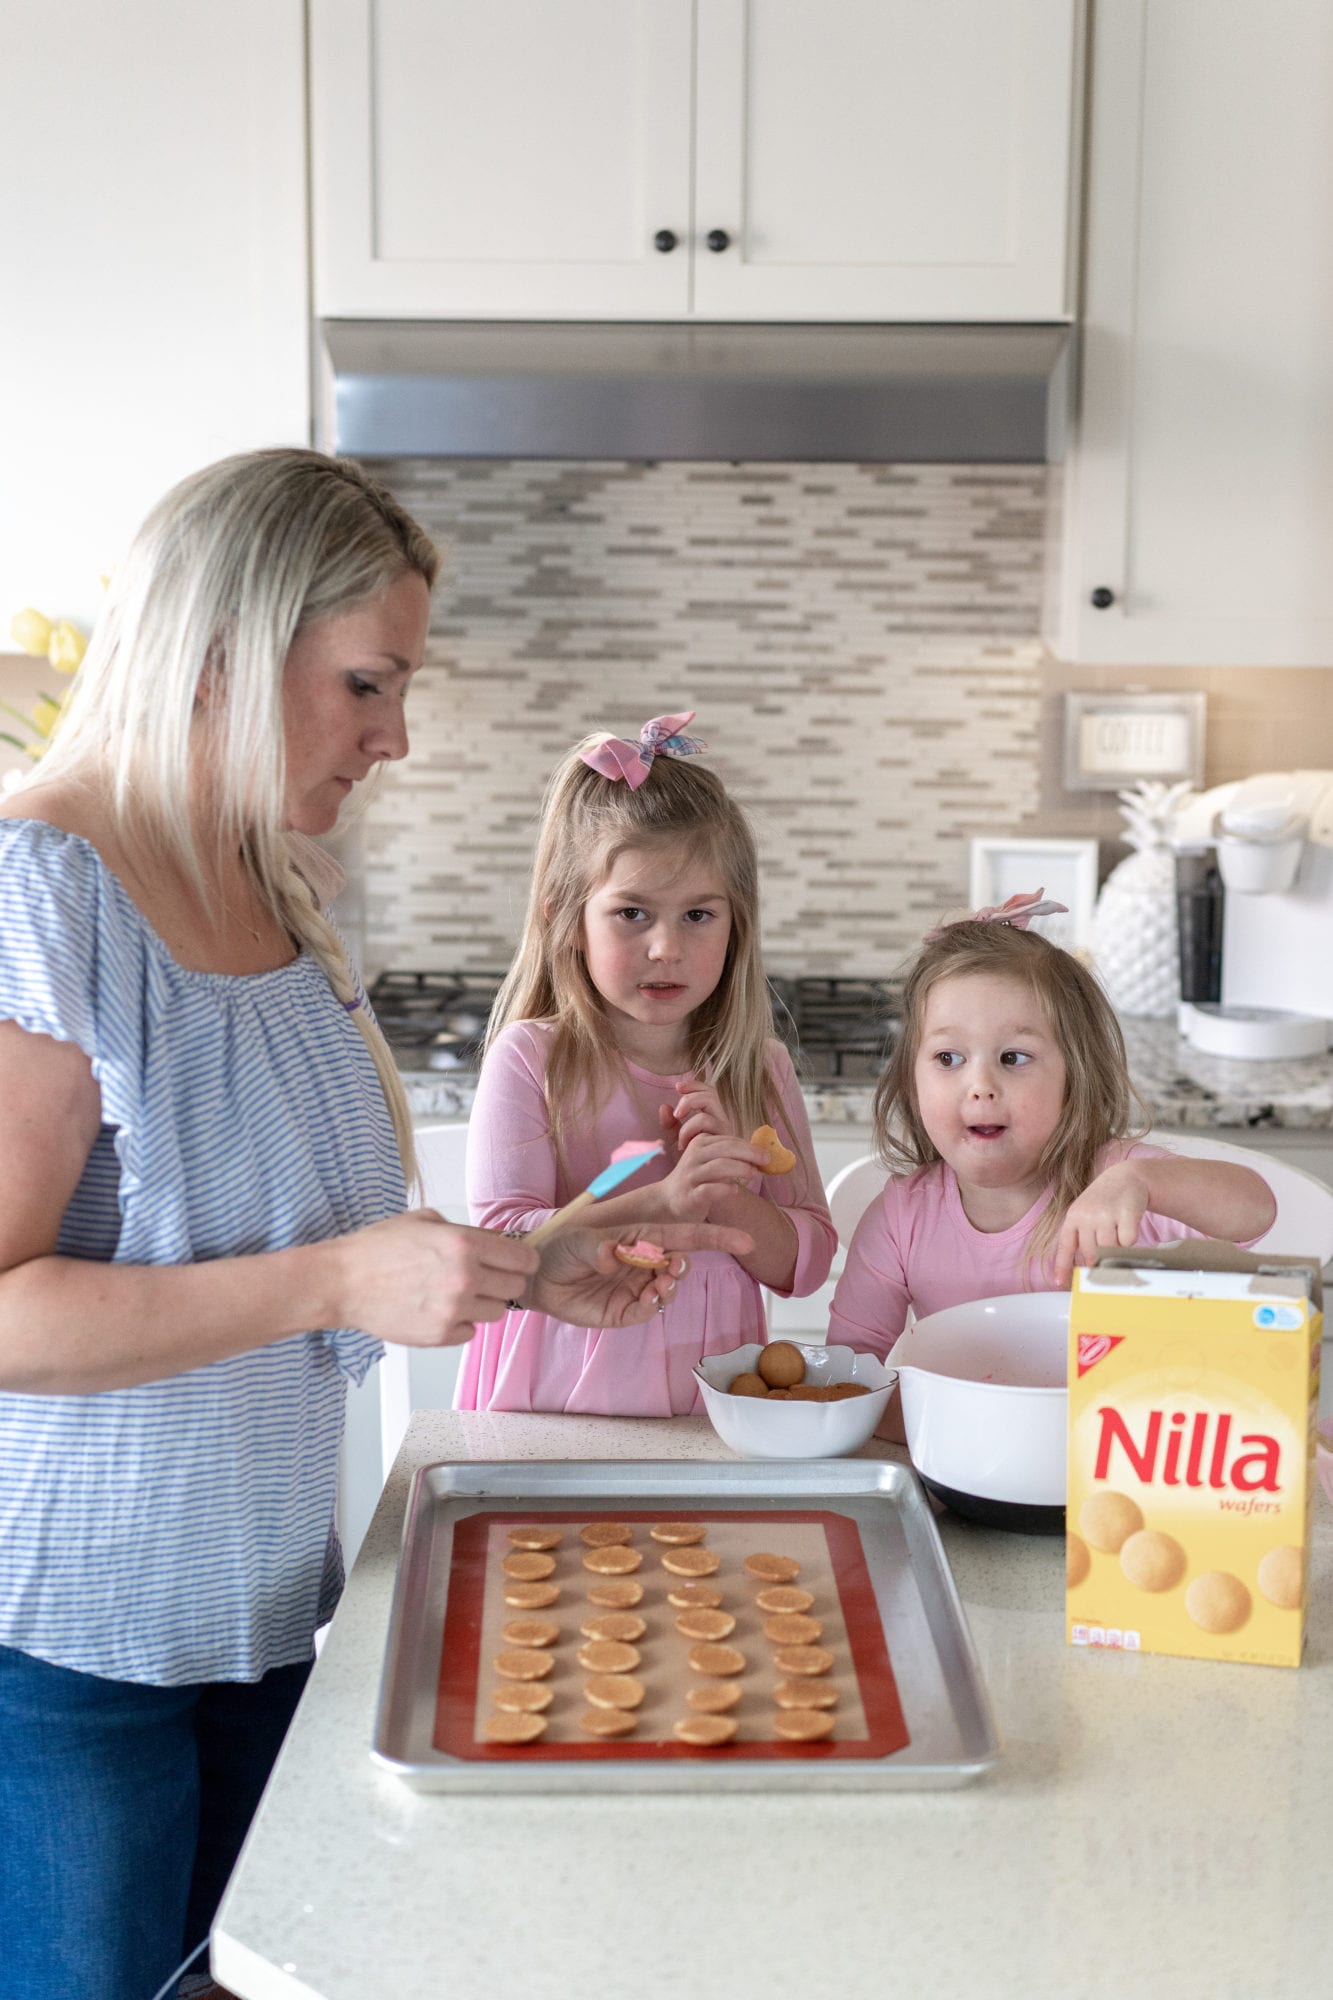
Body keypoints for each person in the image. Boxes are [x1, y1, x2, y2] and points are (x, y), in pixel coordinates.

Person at [0, 453, 749, 2000]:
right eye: (365, 682)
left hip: (272, 1612)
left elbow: (300, 1242)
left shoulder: (269, 881)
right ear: (222, 648)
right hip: (72, 1650)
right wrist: (340, 1278)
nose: (394, 736)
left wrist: (530, 1271)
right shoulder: (41, 891)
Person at [460, 712, 838, 1415]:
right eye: (632, 913)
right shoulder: (532, 1059)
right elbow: (503, 1247)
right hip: (553, 1411)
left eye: (698, 916)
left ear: (736, 926)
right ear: (568, 921)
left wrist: (725, 1196)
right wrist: (664, 1202)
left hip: (710, 1410)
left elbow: (806, 1264)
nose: (665, 948)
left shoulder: (759, 1070)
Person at [829, 893, 1276, 1360]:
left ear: (1073, 1075)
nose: (980, 1086)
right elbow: (855, 1368)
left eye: (1013, 1057)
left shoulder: (1118, 1184)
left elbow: (1256, 1210)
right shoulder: (901, 1219)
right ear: (911, 1078)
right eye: (948, 1058)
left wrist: (1143, 1182)